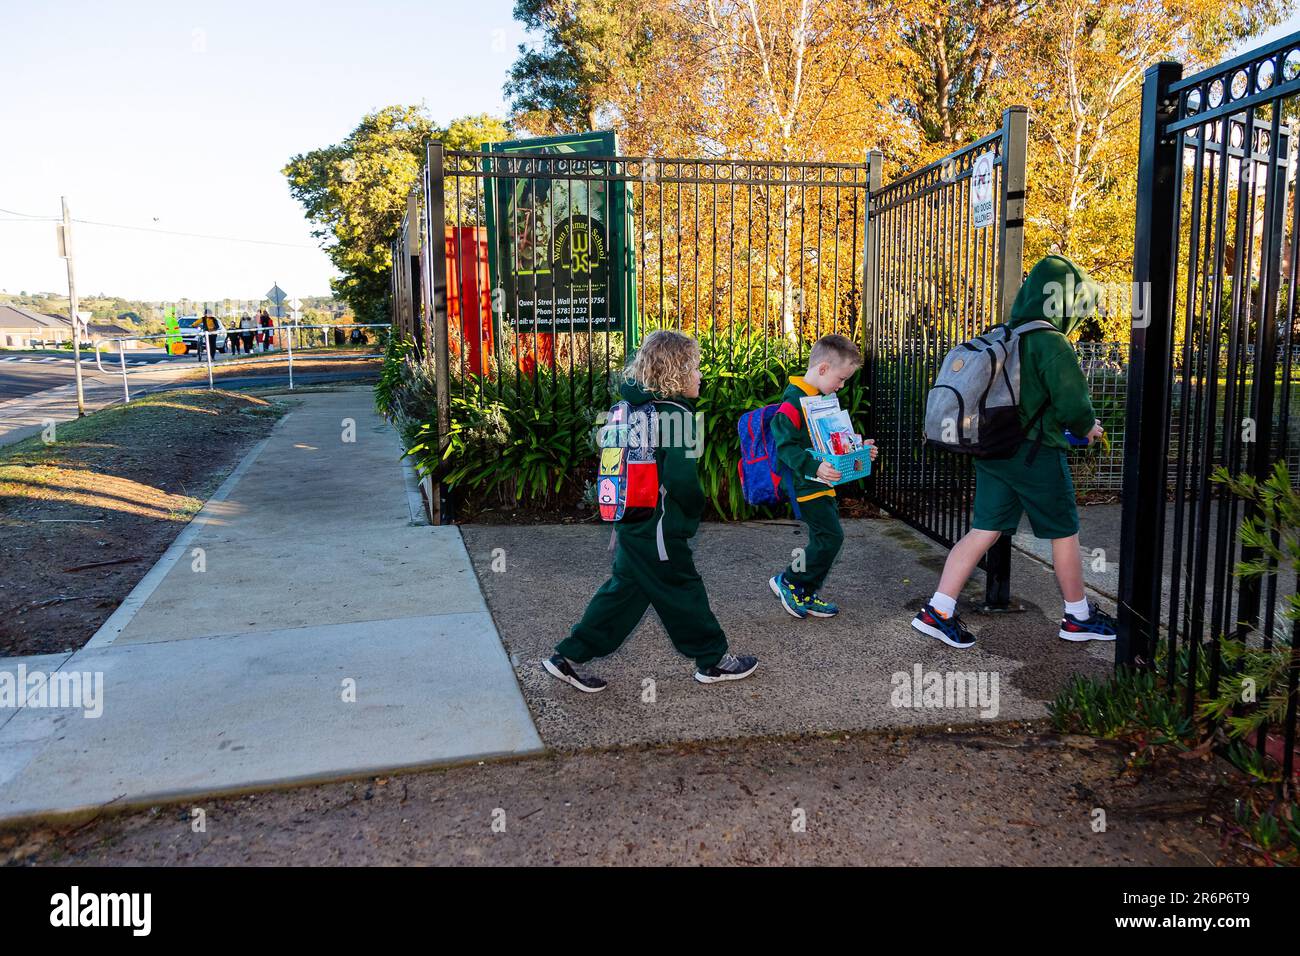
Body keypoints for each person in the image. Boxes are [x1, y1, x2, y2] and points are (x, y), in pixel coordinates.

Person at [910, 254, 1116, 649]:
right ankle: (1078, 616)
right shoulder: (1050, 342)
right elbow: (1073, 404)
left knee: (983, 531)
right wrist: (1087, 427)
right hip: (1036, 455)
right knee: (1064, 533)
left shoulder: (1006, 333)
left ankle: (938, 610)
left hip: (995, 449)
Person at [544, 329, 758, 691]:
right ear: (675, 373)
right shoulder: (677, 417)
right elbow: (682, 481)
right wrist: (690, 513)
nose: (700, 376)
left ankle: (569, 656)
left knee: (625, 591)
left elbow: (622, 468)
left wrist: (620, 521)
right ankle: (712, 659)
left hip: (633, 518)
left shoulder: (631, 408)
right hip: (659, 525)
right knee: (682, 587)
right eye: (694, 369)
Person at [768, 334, 875, 619]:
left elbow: (832, 439)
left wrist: (858, 449)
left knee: (824, 539)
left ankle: (804, 590)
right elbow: (785, 446)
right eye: (840, 379)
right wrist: (813, 466)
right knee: (830, 538)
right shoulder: (793, 401)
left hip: (824, 483)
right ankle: (790, 580)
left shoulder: (821, 398)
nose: (841, 386)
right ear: (823, 368)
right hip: (807, 484)